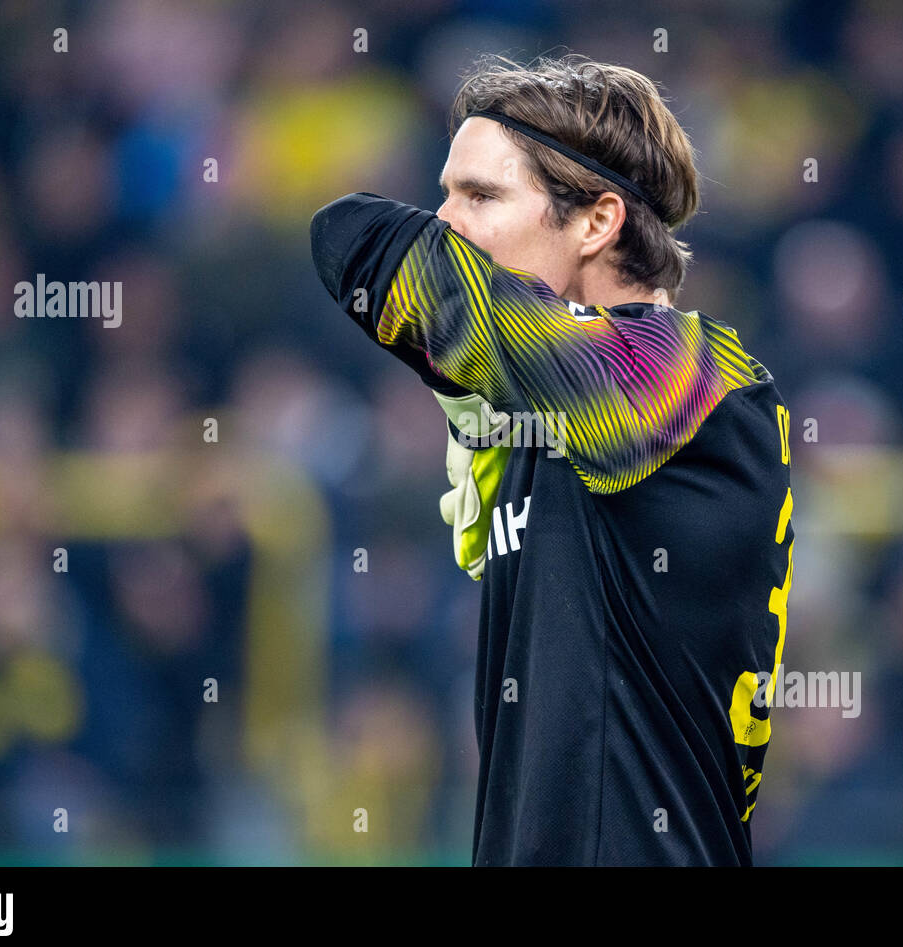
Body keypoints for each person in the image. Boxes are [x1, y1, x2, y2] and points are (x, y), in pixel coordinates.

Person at [310, 54, 794, 865]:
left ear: (598, 223)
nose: (448, 222)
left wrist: (457, 367)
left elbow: (352, 235)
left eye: (482, 196)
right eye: (446, 192)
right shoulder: (556, 415)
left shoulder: (683, 372)